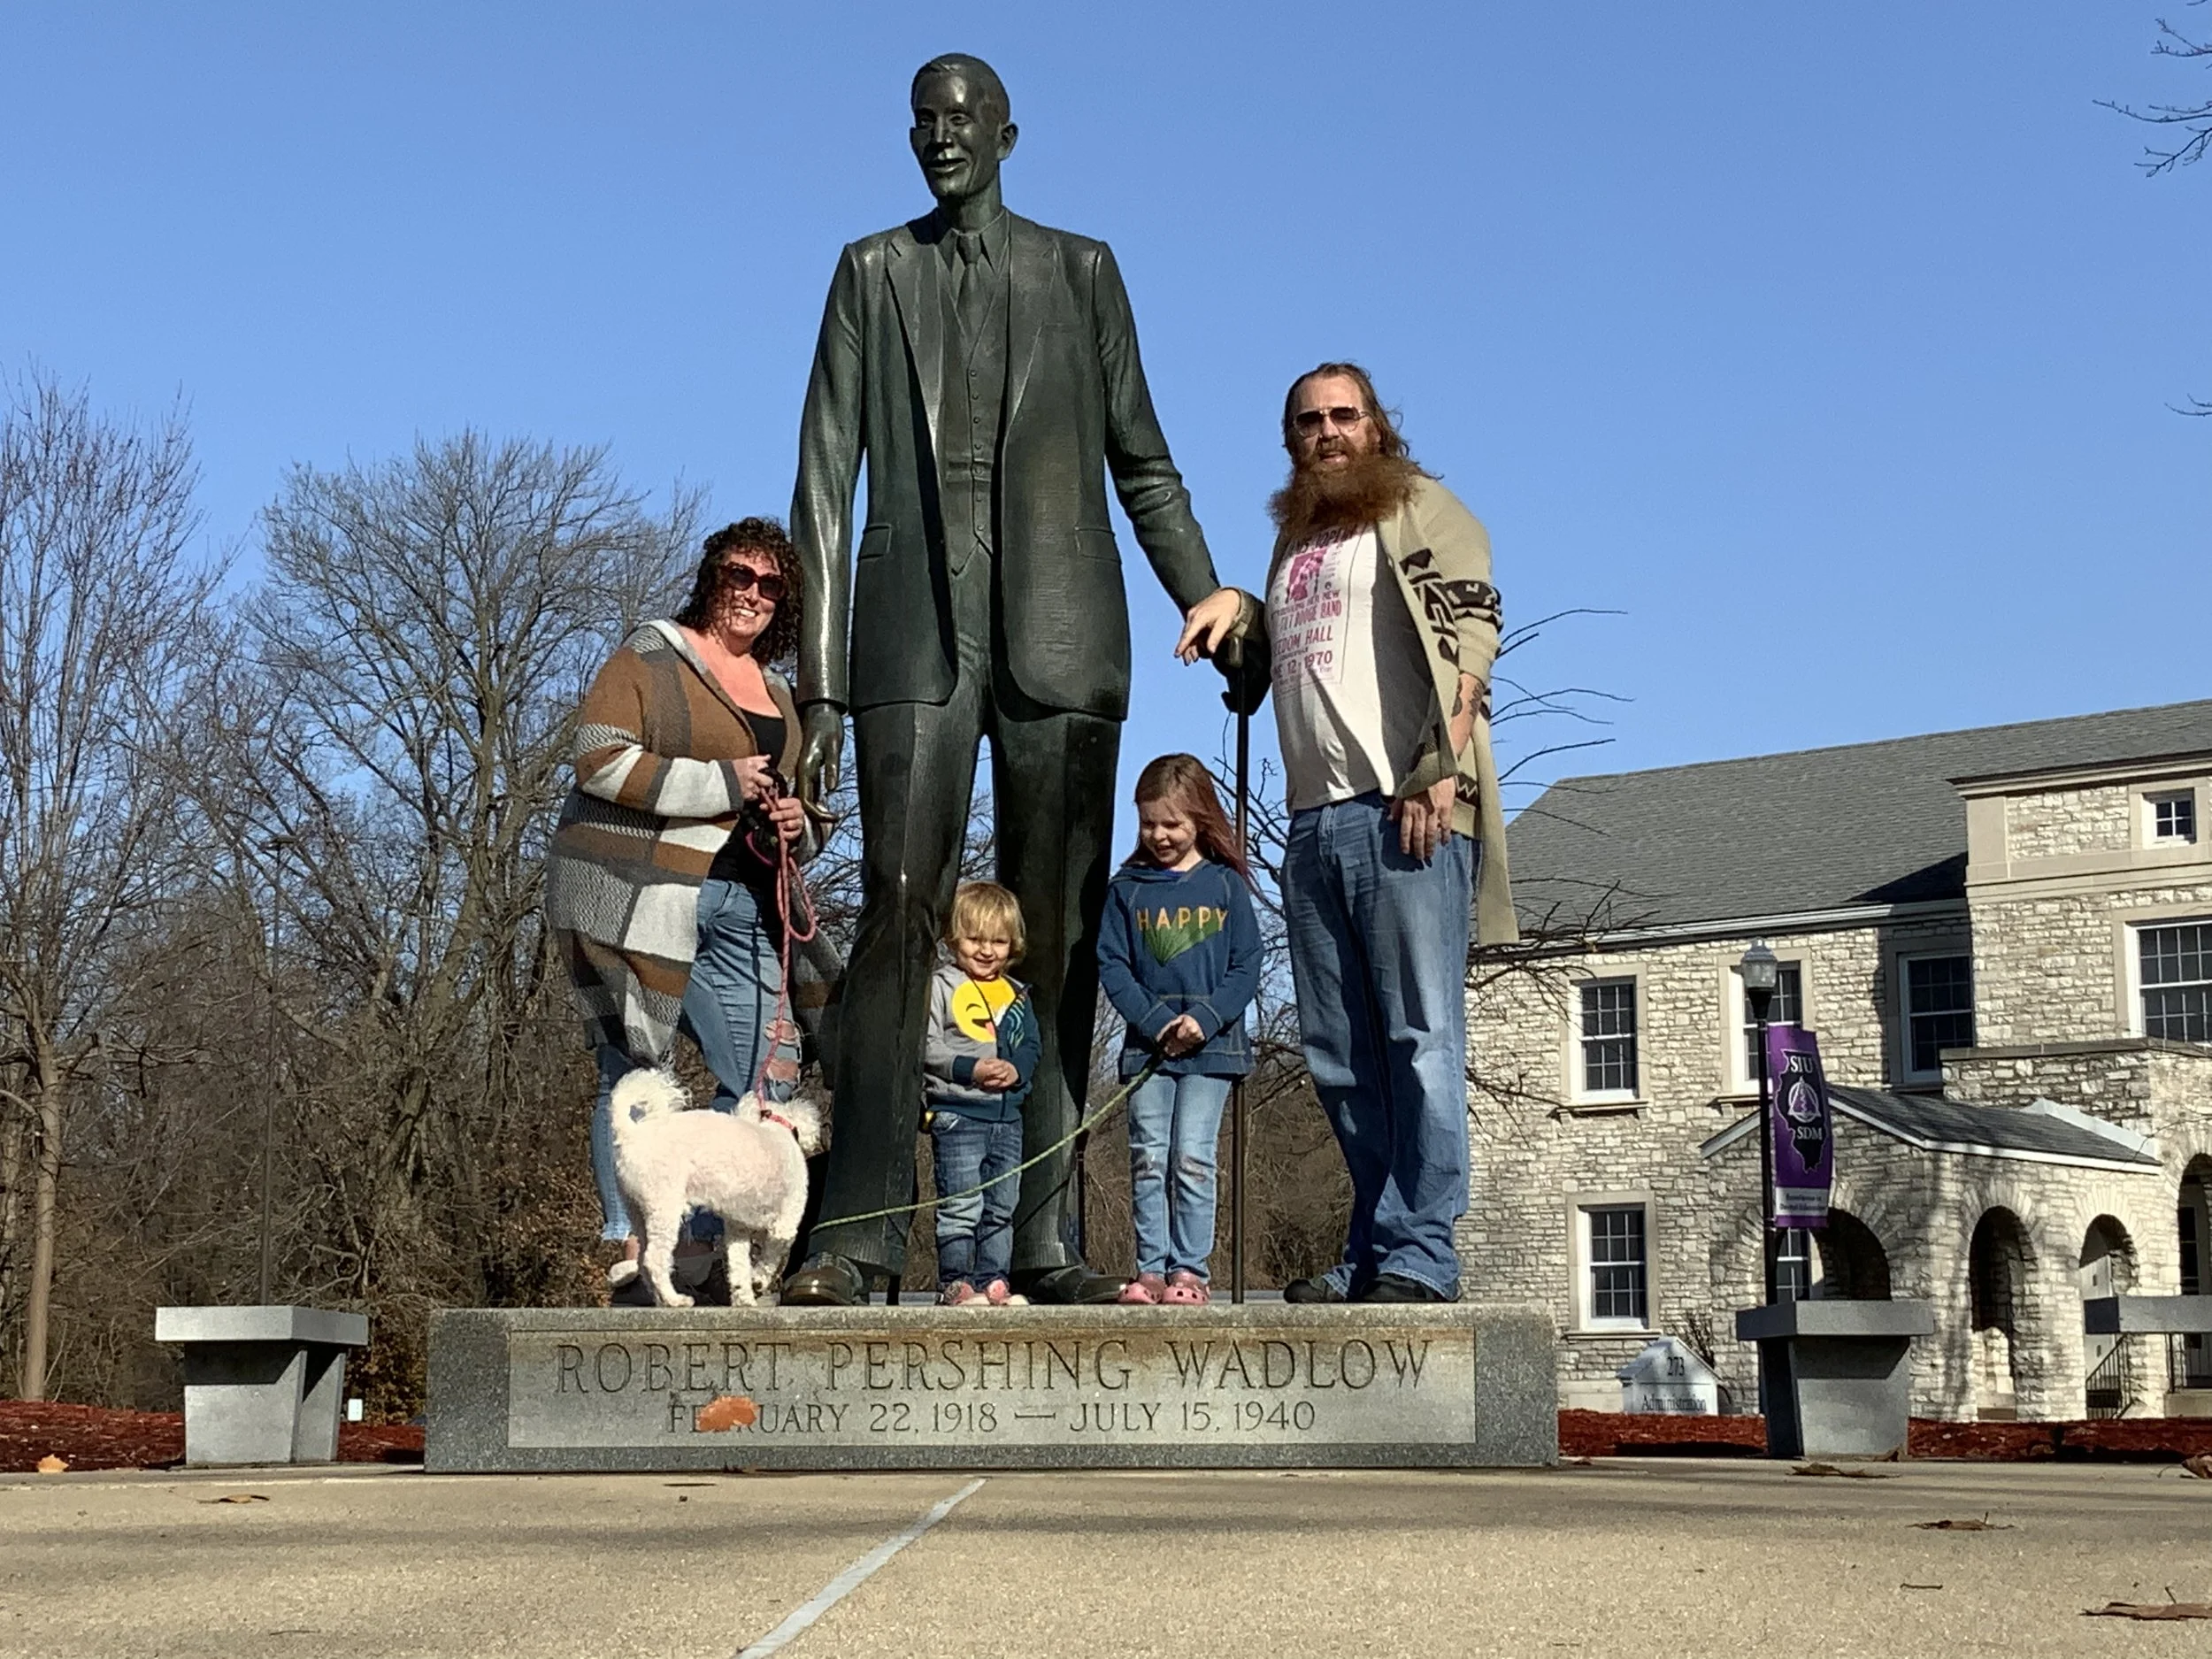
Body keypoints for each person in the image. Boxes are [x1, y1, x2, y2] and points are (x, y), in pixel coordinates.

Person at [780, 53, 1245, 1307]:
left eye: (961, 120)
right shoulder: (872, 270)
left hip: (1058, 625)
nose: (940, 139)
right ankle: (862, 1233)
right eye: (921, 123)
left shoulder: (1081, 270)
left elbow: (1143, 458)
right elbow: (824, 475)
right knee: (894, 914)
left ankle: (1043, 1237)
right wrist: (815, 687)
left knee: (1061, 932)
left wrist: (1203, 590)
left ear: (1007, 134)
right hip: (912, 634)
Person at [1178, 364, 1517, 1303]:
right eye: (1308, 421)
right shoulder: (1296, 538)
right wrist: (1237, 607)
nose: (1327, 431)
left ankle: (1420, 1252)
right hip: (1314, 823)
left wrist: (1437, 767)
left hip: (1403, 805)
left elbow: (1473, 639)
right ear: (1291, 440)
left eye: (1344, 415)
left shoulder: (1421, 509)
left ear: (1377, 425)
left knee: (1419, 1037)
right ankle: (1374, 1244)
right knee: (1338, 1052)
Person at [544, 518, 814, 1301]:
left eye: (771, 585)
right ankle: (632, 1245)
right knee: (634, 1066)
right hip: (637, 894)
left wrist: (800, 823)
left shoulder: (780, 694)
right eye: (739, 575)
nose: (753, 595)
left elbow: (777, 797)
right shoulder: (650, 656)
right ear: (711, 576)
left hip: (743, 897)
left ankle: (701, 1243)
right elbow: (597, 756)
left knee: (765, 1070)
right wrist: (722, 781)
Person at [1095, 755, 1261, 1307]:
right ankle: (1150, 1271)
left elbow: (1246, 966)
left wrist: (1205, 1020)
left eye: (1172, 824)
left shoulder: (1225, 886)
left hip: (1212, 1053)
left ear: (1199, 819)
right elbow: (1113, 965)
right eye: (1149, 823)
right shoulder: (1127, 889)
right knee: (1147, 1155)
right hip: (1149, 1052)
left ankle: (1190, 1271)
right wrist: (1157, 1021)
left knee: (1191, 1156)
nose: (1160, 835)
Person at [922, 881, 1041, 1308]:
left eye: (998, 941)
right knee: (960, 1204)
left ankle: (995, 1280)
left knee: (1001, 1206)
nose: (987, 950)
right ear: (954, 939)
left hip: (1007, 1119)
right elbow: (929, 1046)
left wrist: (1016, 1069)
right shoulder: (940, 985)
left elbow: (1030, 1045)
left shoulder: (1016, 993)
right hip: (957, 1116)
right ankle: (955, 1283)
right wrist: (970, 1068)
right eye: (975, 939)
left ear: (1013, 944)